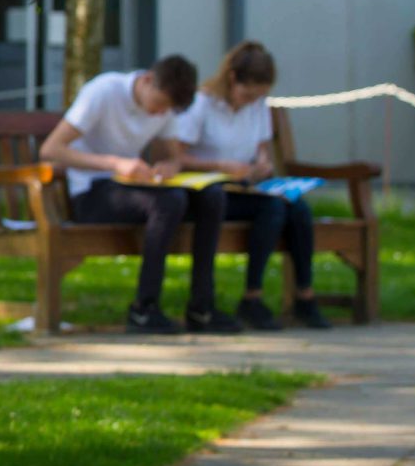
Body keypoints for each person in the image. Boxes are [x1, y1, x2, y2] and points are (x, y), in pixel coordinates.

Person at [39, 57, 241, 334]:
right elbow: (51, 149)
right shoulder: (104, 91)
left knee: (212, 197)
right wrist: (115, 163)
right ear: (146, 80)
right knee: (170, 202)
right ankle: (144, 309)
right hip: (92, 192)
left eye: (166, 110)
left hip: (135, 189)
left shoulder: (165, 107)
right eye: (158, 105)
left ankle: (202, 306)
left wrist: (169, 167)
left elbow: (172, 157)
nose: (160, 114)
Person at [173, 41, 331, 330]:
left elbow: (261, 149)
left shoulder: (258, 106)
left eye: (258, 96)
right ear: (232, 79)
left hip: (246, 188)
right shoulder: (202, 104)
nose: (251, 101)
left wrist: (261, 165)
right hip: (209, 193)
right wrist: (221, 166)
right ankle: (252, 297)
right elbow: (177, 157)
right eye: (247, 93)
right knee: (272, 209)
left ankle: (304, 297)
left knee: (298, 210)